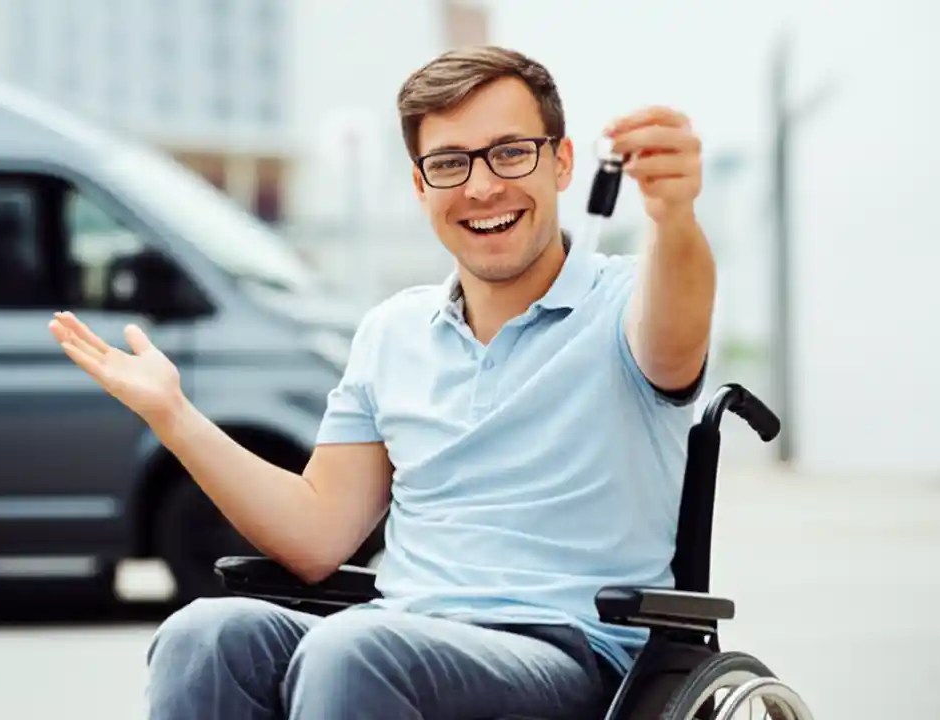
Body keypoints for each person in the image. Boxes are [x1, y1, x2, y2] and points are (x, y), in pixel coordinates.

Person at [49, 45, 714, 720]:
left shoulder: (627, 302)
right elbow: (315, 537)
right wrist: (173, 414)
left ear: (562, 161)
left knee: (354, 650)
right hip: (402, 637)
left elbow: (676, 327)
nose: (482, 187)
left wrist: (675, 216)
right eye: (451, 163)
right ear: (421, 186)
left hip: (570, 658)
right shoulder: (392, 333)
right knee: (206, 635)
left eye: (510, 152)